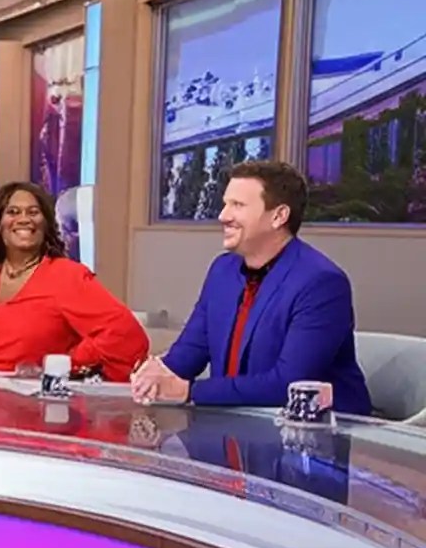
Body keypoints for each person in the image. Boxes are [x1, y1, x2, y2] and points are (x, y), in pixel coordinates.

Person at [131, 160, 371, 414]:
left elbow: (288, 384)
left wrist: (189, 391)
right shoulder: (222, 270)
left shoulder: (321, 283)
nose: (223, 216)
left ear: (278, 216)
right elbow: (191, 351)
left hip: (313, 437)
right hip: (236, 427)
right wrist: (157, 372)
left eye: (238, 205)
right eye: (226, 204)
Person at [0, 181, 147, 381]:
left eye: (33, 212)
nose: (24, 219)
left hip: (34, 412)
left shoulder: (66, 276)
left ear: (46, 225)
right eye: (13, 212)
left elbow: (126, 336)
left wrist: (65, 364)